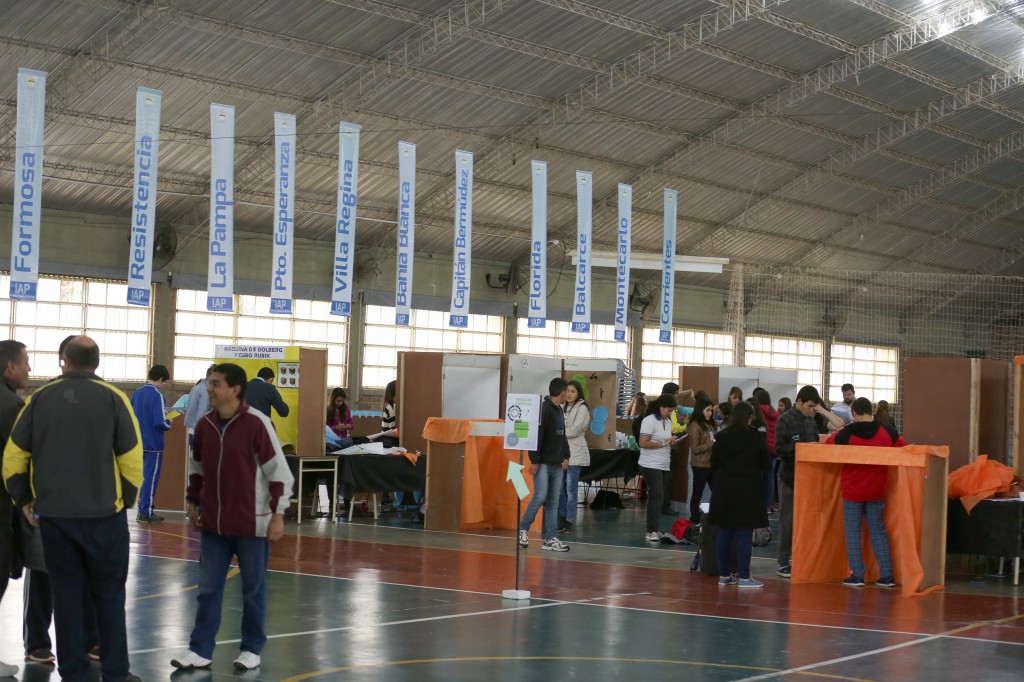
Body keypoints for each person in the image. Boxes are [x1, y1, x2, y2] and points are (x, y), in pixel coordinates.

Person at [3, 336, 143, 682]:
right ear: (96, 361)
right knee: (109, 598)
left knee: (65, 597)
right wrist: (123, 500)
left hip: (56, 519)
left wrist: (24, 500)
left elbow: (13, 458)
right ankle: (115, 672)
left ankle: (71, 672)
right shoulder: (116, 399)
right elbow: (132, 458)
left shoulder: (39, 399)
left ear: (64, 359)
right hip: (104, 518)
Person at [171, 363, 294, 671]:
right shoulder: (204, 426)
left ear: (234, 389)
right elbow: (196, 469)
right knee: (208, 590)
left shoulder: (258, 424)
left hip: (252, 524)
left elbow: (279, 474)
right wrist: (191, 502)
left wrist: (278, 514)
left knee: (253, 590)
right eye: (208, 383)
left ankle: (251, 649)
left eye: (214, 384)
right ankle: (199, 650)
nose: (207, 389)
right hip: (213, 524)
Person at [20, 336, 100, 667]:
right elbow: (19, 451)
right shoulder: (40, 400)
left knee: (85, 575)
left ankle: (86, 641)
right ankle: (40, 642)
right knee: (44, 574)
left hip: (88, 507)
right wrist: (25, 497)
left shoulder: (106, 398)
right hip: (52, 505)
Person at [826, 397, 906, 588]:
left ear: (853, 413)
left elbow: (828, 445)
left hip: (853, 490)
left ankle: (857, 575)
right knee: (878, 531)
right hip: (876, 490)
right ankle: (886, 576)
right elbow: (906, 449)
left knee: (853, 532)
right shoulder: (887, 431)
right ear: (871, 411)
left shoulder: (847, 433)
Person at [773, 385, 845, 579]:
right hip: (789, 477)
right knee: (787, 520)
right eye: (810, 406)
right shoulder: (784, 420)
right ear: (799, 402)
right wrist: (802, 449)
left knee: (808, 520)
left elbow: (838, 425)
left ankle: (804, 557)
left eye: (814, 407)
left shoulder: (811, 421)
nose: (811, 410)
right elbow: (779, 451)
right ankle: (783, 561)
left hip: (809, 479)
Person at [709, 401, 771, 588]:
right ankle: (744, 577)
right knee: (744, 532)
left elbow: (714, 463)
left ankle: (724, 576)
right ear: (749, 417)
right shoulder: (756, 438)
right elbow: (767, 465)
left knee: (724, 532)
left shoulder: (721, 437)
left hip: (724, 489)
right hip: (747, 490)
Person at [0, 340, 31, 678]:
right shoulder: (12, 406)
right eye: (25, 362)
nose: (29, 370)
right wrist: (26, 500)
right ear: (10, 367)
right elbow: (19, 461)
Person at [518, 377, 571, 552]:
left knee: (553, 501)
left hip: (557, 464)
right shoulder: (545, 410)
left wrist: (566, 455)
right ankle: (523, 529)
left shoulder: (559, 411)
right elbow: (535, 436)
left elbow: (562, 437)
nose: (567, 396)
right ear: (562, 393)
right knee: (540, 496)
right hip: (543, 464)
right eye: (567, 393)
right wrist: (534, 460)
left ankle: (550, 538)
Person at [130, 364, 172, 523]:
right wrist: (170, 422)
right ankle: (145, 512)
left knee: (141, 478)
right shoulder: (157, 396)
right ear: (161, 379)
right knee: (150, 478)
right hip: (153, 444)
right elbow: (159, 422)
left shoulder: (137, 393)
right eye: (165, 382)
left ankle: (142, 508)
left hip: (137, 443)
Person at [637, 393, 680, 542]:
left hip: (663, 463)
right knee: (657, 495)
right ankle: (651, 531)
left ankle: (654, 529)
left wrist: (671, 441)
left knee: (659, 497)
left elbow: (664, 439)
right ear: (661, 407)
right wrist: (663, 443)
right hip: (649, 464)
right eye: (669, 410)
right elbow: (643, 442)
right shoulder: (649, 420)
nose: (670, 413)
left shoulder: (667, 421)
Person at [558, 380, 590, 535]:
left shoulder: (582, 408)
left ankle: (569, 520)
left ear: (578, 393)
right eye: (568, 391)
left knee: (570, 489)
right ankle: (562, 516)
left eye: (573, 391)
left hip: (575, 453)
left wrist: (558, 433)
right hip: (560, 452)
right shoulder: (561, 407)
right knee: (559, 487)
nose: (569, 394)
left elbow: (575, 430)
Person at [685, 398, 715, 525]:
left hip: (712, 464)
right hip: (700, 465)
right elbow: (695, 449)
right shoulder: (695, 426)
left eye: (711, 411)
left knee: (718, 491)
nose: (710, 413)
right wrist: (711, 444)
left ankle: (715, 515)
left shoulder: (710, 424)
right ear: (700, 410)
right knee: (697, 493)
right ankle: (695, 518)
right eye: (707, 410)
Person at [752, 388, 779, 510]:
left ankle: (759, 504)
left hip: (763, 448)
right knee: (770, 477)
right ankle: (768, 505)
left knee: (759, 477)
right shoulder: (775, 413)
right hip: (774, 449)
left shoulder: (759, 412)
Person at [184, 364, 215, 453]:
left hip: (193, 430)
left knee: (194, 462)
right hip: (201, 433)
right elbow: (202, 416)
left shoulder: (198, 388)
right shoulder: (205, 392)